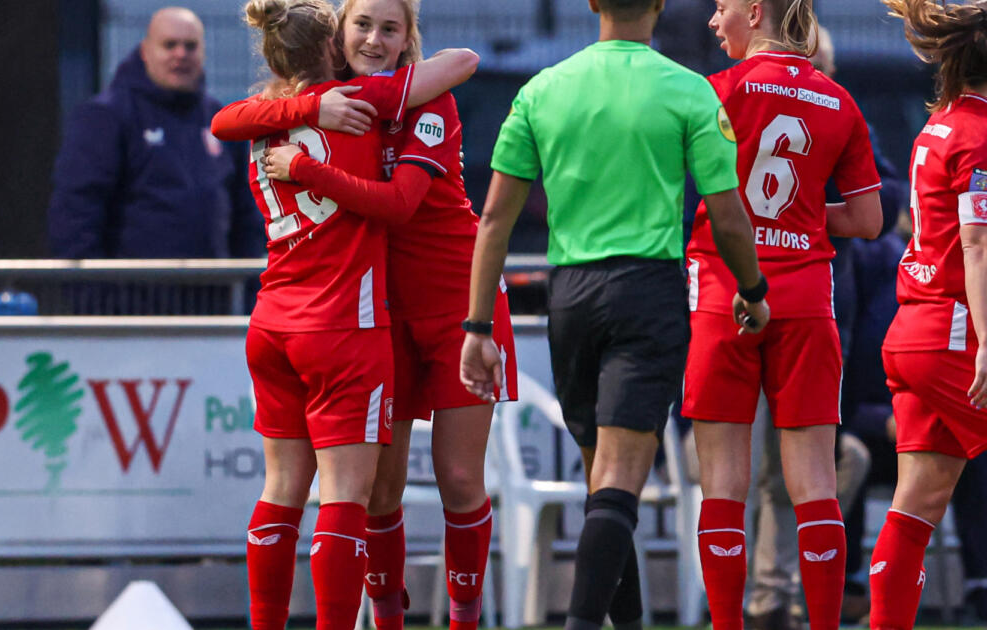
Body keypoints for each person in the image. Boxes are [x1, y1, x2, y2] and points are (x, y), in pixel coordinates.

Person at [460, 0, 770, 627]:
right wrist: (754, 288)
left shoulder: (541, 90)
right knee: (620, 481)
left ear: (593, 4)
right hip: (646, 291)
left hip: (569, 296)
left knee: (603, 481)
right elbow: (729, 212)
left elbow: (493, 218)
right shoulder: (688, 90)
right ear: (659, 5)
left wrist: (476, 326)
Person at [211, 1, 517, 627]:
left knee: (459, 479)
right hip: (373, 312)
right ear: (337, 35)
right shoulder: (335, 101)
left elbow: (404, 200)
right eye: (362, 26)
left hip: (456, 306)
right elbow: (227, 117)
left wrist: (306, 167)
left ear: (409, 38)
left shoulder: (420, 98)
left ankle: (464, 614)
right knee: (377, 490)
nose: (374, 40)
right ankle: (386, 617)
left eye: (390, 28)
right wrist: (308, 110)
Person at [682, 0, 884, 629]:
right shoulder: (840, 101)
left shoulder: (716, 92)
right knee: (816, 484)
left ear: (756, 11)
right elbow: (869, 221)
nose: (714, 22)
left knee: (723, 484)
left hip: (724, 294)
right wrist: (796, 219)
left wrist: (751, 223)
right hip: (807, 300)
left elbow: (682, 194)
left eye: (721, 8)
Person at [869, 1, 987, 627]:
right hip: (954, 331)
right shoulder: (979, 133)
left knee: (918, 503)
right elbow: (976, 240)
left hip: (912, 327)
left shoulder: (940, 125)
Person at [47, 7, 263, 261]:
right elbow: (76, 213)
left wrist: (248, 290)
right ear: (145, 52)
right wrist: (95, 295)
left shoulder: (222, 121)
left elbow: (248, 217)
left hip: (214, 295)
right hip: (131, 296)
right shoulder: (105, 117)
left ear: (203, 53)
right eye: (169, 45)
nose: (180, 54)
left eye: (190, 46)